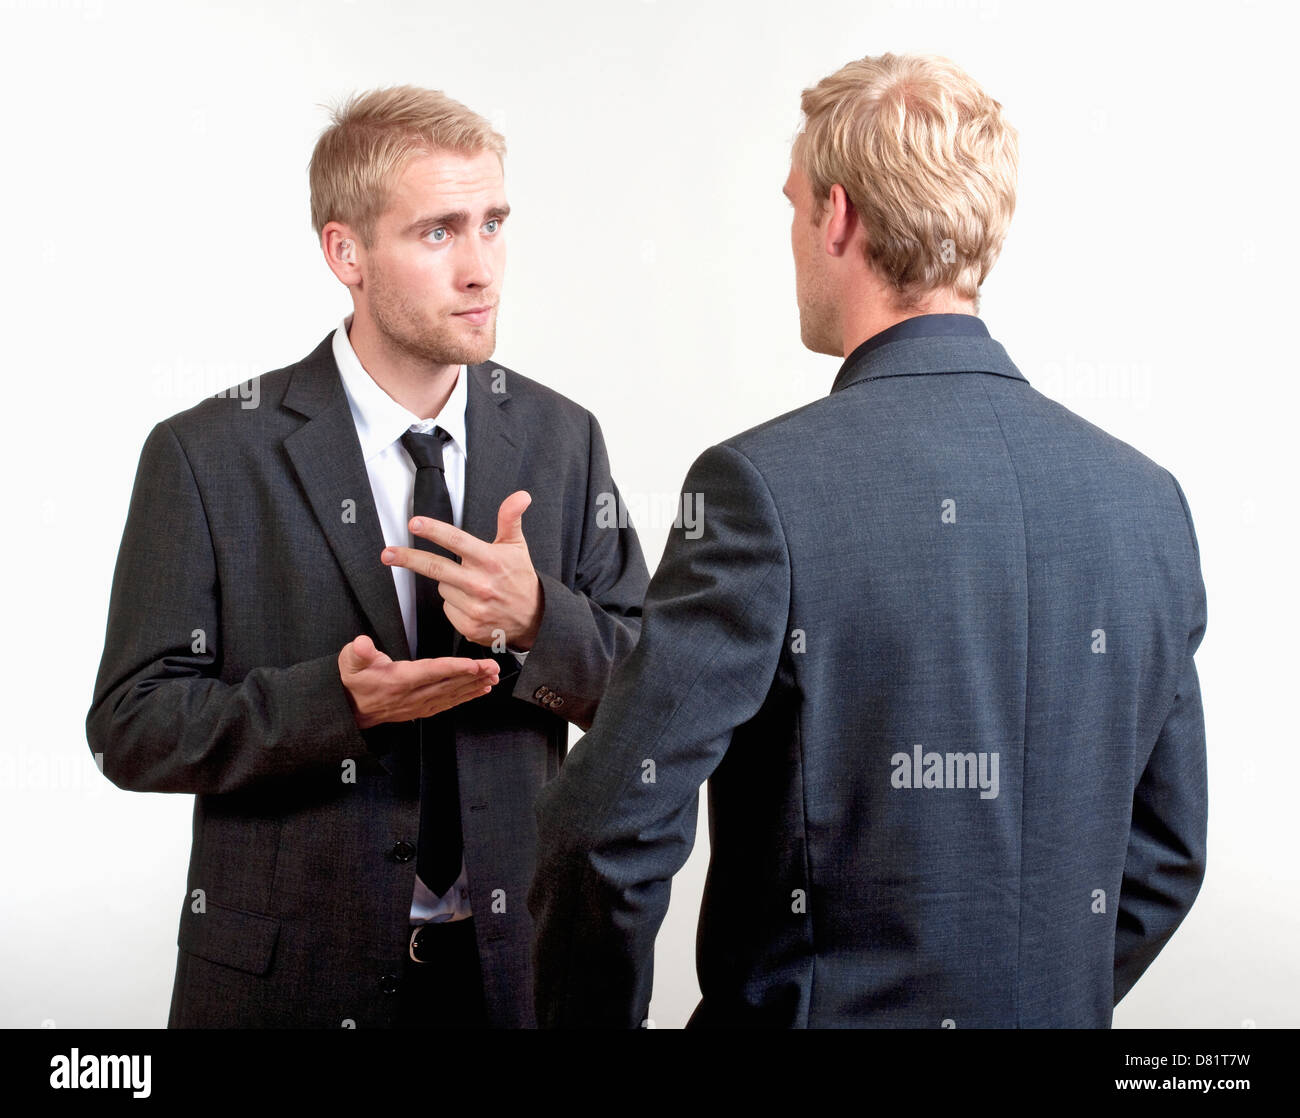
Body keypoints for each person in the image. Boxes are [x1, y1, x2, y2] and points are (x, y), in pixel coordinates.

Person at [528, 52, 1208, 1028]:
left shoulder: (757, 491)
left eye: (794, 204)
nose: (795, 236)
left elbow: (604, 825)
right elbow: (1165, 852)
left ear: (836, 216)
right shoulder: (1147, 502)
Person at [86, 85, 649, 1028]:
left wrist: (541, 621)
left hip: (516, 983)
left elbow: (653, 689)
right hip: (290, 988)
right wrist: (333, 706)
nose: (482, 270)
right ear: (345, 253)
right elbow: (132, 725)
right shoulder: (208, 453)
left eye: (494, 224)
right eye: (438, 233)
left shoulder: (563, 440)